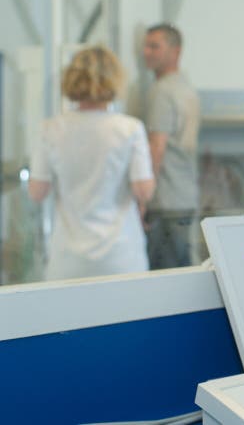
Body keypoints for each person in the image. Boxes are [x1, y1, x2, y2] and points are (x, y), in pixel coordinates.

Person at [28, 46, 155, 280]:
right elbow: (143, 190)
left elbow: (37, 191)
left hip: (68, 260)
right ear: (115, 80)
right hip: (121, 256)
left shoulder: (51, 129)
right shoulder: (129, 128)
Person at [140, 23, 200, 269]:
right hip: (185, 199)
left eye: (155, 46)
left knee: (162, 281)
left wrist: (144, 199)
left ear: (175, 51)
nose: (146, 52)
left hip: (164, 203)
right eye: (145, 46)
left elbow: (157, 146)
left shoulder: (161, 91)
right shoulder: (186, 87)